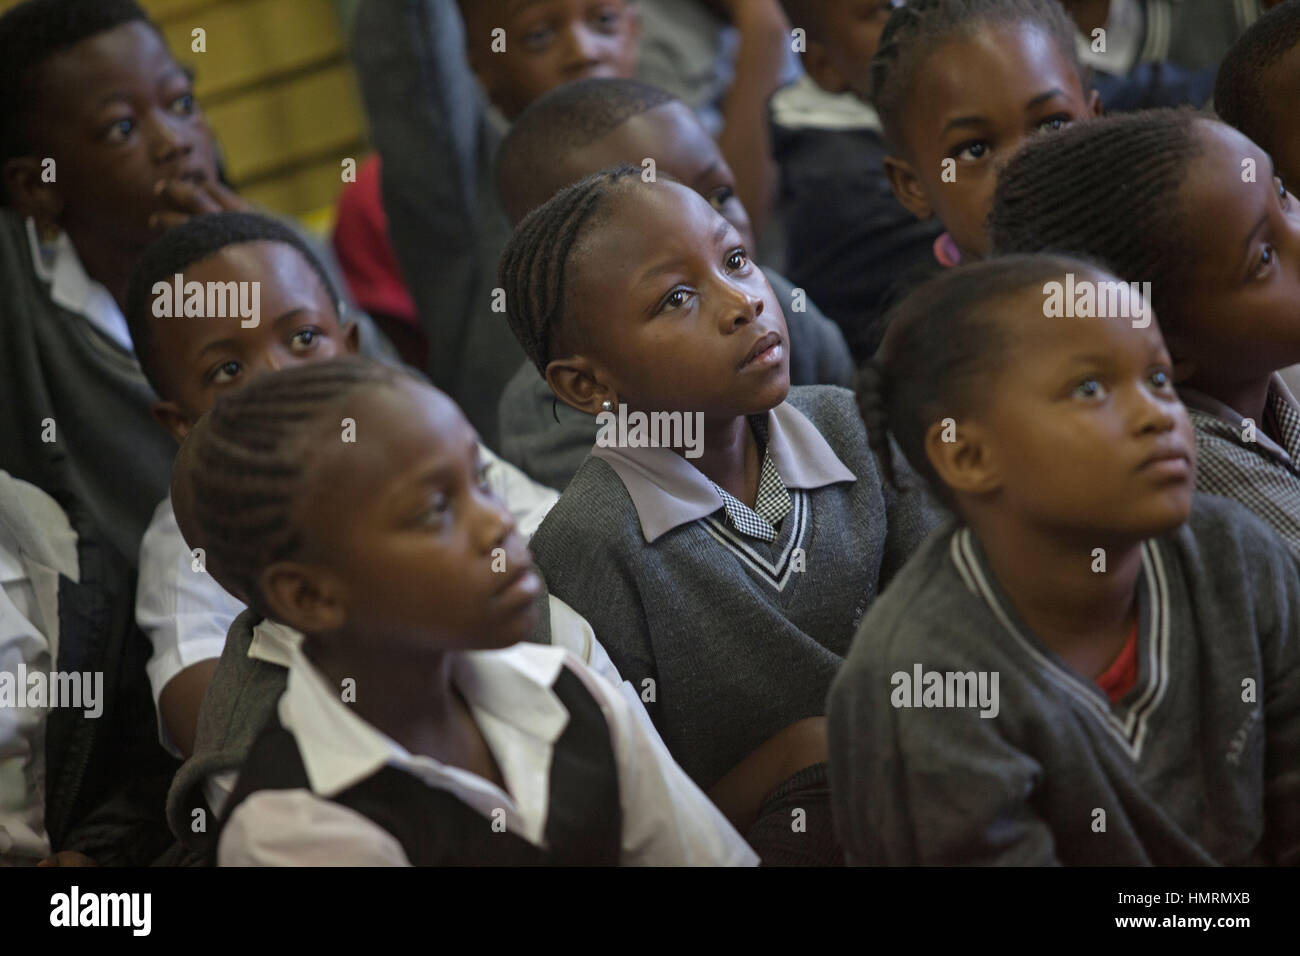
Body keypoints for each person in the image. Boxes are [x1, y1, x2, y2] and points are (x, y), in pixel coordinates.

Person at [509, 167, 939, 864]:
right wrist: (800, 757)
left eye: (736, 259)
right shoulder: (590, 545)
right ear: (587, 384)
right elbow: (651, 816)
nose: (742, 302)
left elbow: (957, 632)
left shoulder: (851, 425)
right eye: (677, 298)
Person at [175, 358, 756, 866]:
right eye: (433, 511)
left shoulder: (564, 686)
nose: (497, 521)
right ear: (311, 597)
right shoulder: (297, 830)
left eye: (480, 481)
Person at [831, 254, 1300, 865]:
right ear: (969, 456)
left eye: (1158, 379)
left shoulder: (1237, 556)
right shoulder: (926, 681)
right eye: (1090, 389)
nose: (1159, 415)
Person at [122, 211, 559, 760]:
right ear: (180, 423)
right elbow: (213, 729)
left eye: (304, 338)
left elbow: (563, 545)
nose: (281, 378)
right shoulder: (190, 544)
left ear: (351, 348)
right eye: (227, 371)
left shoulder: (430, 446)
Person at [493, 77, 855, 490]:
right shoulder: (551, 427)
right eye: (676, 296)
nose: (711, 222)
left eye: (718, 195)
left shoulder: (777, 305)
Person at [990, 109, 1300, 558]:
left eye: (1283, 195)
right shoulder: (1198, 473)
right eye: (1264, 258)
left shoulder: (1262, 376)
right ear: (1164, 348)